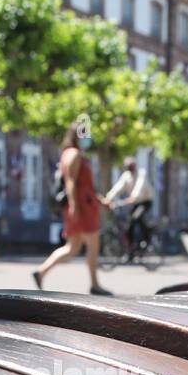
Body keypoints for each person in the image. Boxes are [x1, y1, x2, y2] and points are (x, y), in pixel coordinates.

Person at [32, 125, 110, 295]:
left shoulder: (70, 154)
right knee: (93, 244)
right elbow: (71, 182)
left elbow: (84, 185)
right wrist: (75, 206)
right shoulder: (74, 154)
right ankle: (95, 285)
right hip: (82, 207)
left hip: (82, 204)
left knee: (72, 247)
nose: (88, 139)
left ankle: (41, 272)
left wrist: (99, 200)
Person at [103, 156, 156, 257]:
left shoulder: (141, 174)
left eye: (130, 166)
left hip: (145, 201)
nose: (129, 168)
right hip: (134, 202)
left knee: (136, 217)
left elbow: (139, 188)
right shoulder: (126, 176)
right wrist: (108, 198)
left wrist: (133, 197)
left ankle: (147, 238)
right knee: (129, 225)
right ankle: (131, 250)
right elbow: (117, 188)